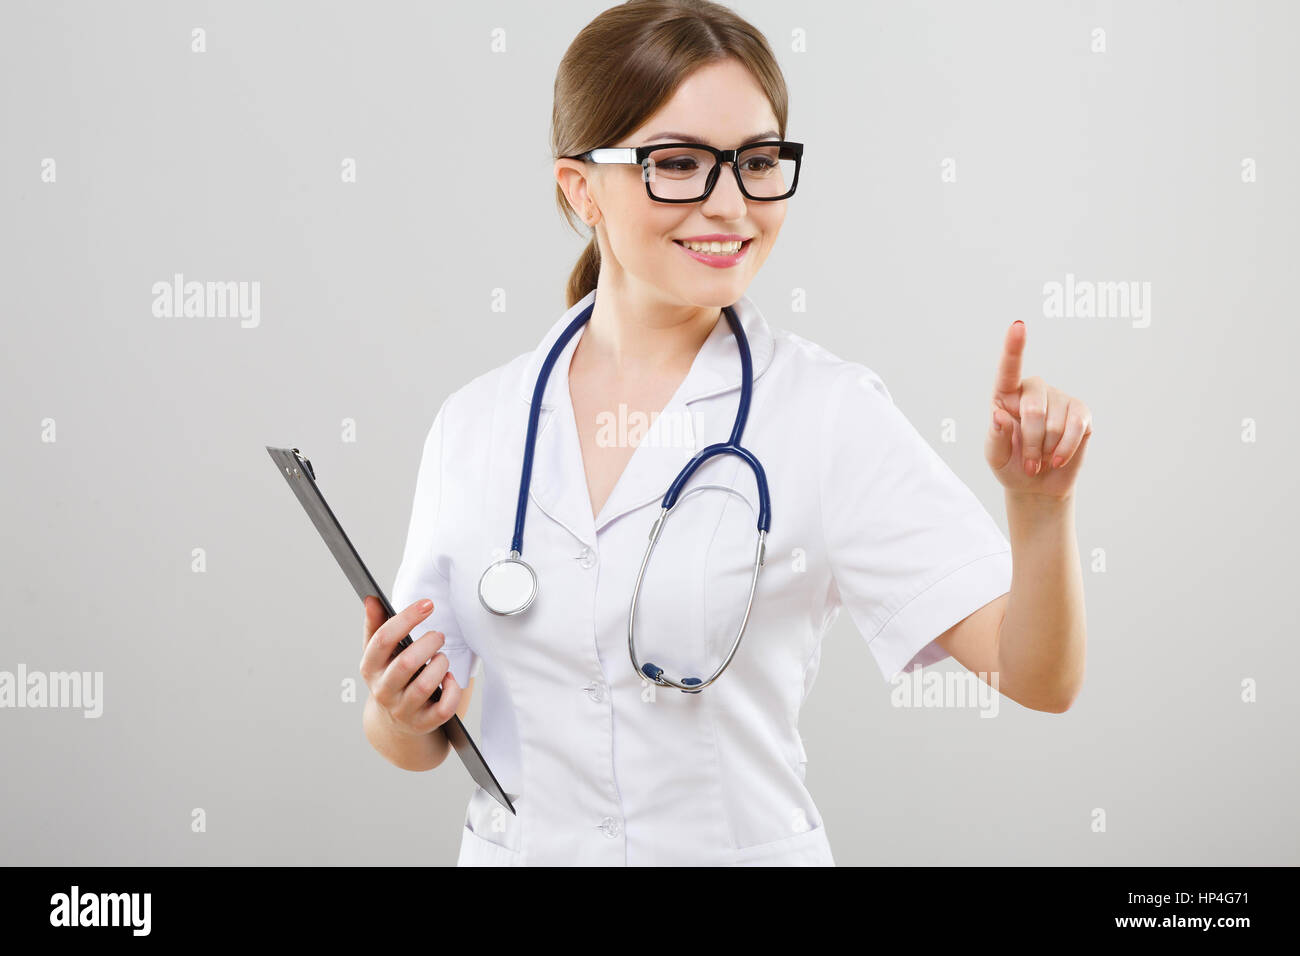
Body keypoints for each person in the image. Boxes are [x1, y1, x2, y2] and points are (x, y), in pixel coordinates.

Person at [360, 0, 1091, 866]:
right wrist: (394, 709)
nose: (730, 204)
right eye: (676, 164)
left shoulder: (826, 414)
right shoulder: (476, 426)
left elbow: (1036, 679)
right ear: (578, 188)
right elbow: (415, 738)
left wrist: (1040, 509)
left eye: (756, 162)